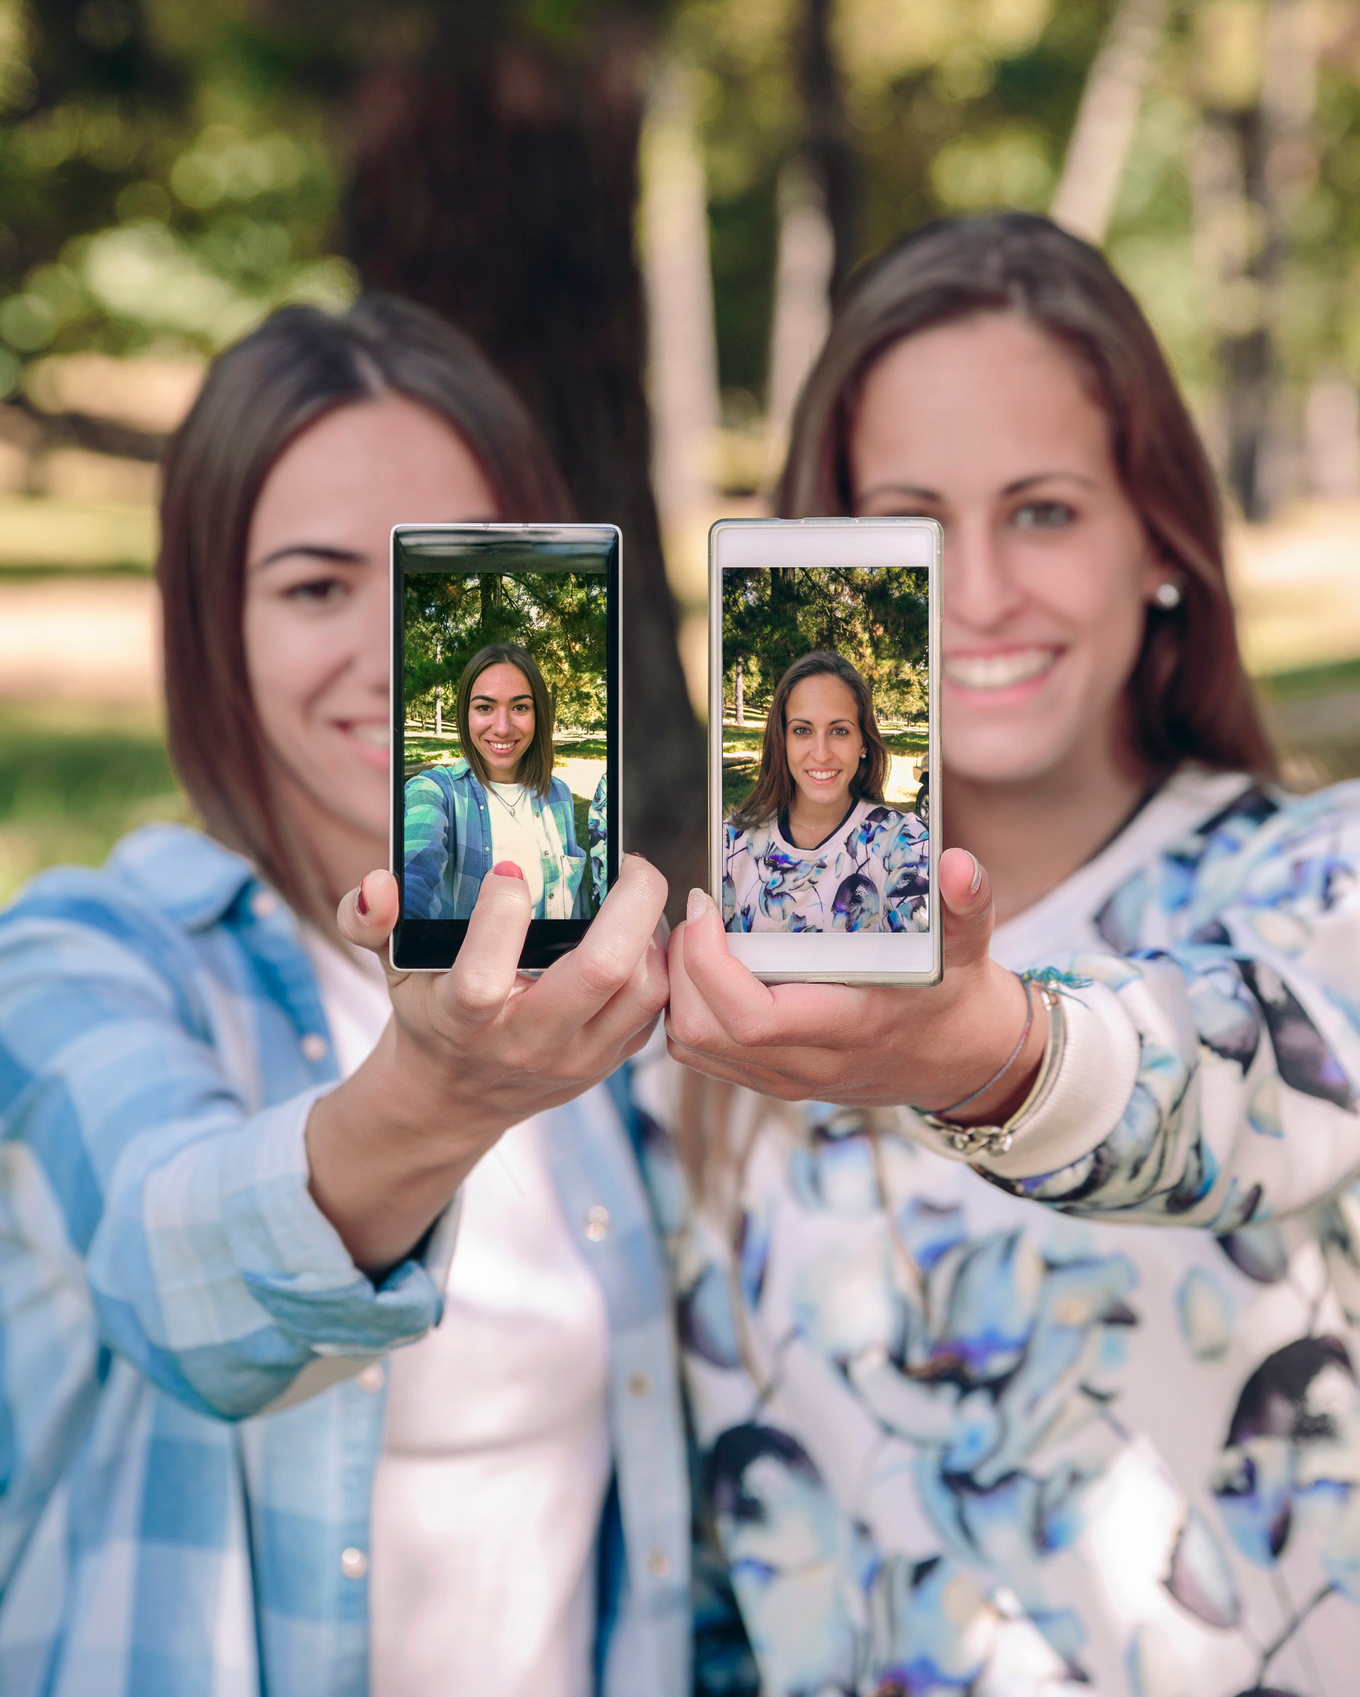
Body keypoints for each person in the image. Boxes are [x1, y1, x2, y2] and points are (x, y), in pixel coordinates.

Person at [660, 212, 1360, 1697]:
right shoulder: (728, 982)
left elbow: (1249, 1077)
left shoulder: (1313, 877)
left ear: (1160, 542)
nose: (974, 591)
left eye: (1041, 511)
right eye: (909, 520)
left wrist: (995, 1053)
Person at [0, 295, 690, 1697]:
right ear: (214, 628)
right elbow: (176, 1280)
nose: (397, 657)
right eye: (317, 588)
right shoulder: (81, 959)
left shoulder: (612, 989)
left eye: (452, 589)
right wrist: (431, 1101)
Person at [721, 648, 928, 933]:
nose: (821, 754)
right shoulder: (730, 844)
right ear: (782, 741)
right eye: (802, 730)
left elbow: (919, 960)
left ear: (863, 742)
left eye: (839, 731)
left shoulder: (903, 842)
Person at [404, 642, 590, 919]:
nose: (502, 728)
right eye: (484, 707)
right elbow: (415, 875)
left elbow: (575, 904)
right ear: (465, 715)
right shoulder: (434, 791)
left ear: (538, 715)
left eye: (520, 707)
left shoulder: (558, 794)